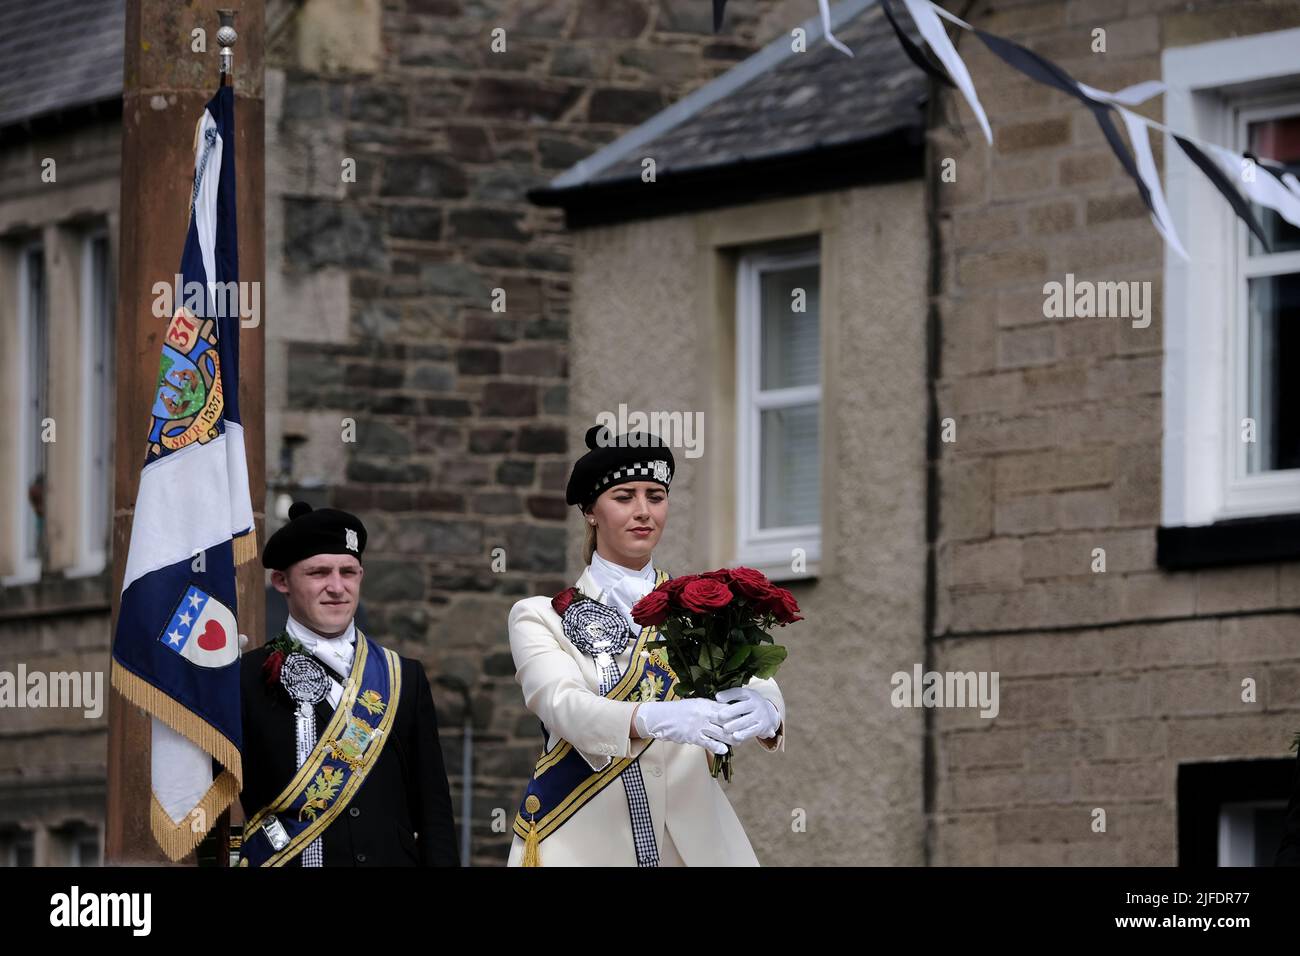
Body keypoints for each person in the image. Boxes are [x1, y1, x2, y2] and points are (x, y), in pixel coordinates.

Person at [506, 426, 786, 866]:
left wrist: (768, 708)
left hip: (697, 845)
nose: (643, 512)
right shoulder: (541, 615)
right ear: (591, 511)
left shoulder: (701, 605)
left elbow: (754, 675)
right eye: (624, 497)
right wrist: (654, 716)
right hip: (587, 838)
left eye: (655, 496)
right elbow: (562, 705)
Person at [237, 502, 458, 866]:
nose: (337, 588)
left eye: (348, 572)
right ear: (281, 581)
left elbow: (433, 809)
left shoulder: (404, 677)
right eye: (318, 573)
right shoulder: (246, 677)